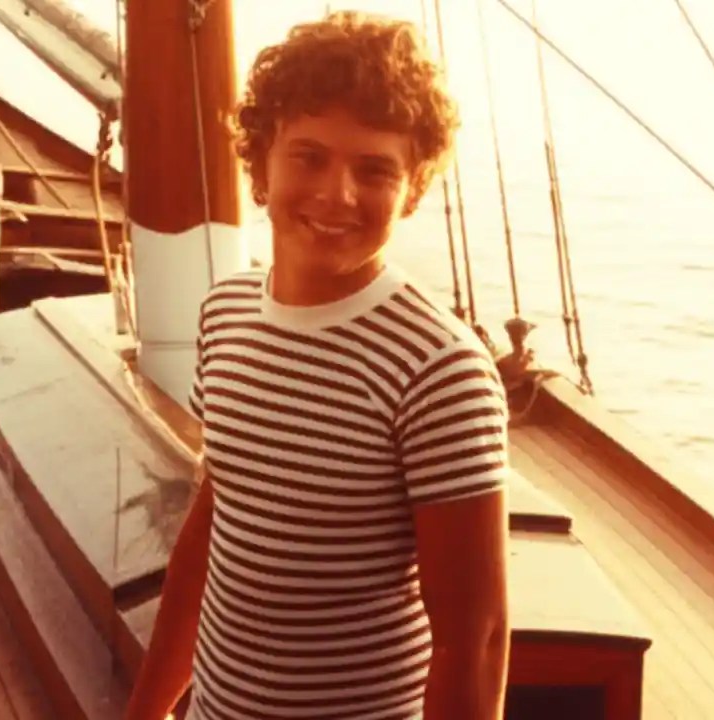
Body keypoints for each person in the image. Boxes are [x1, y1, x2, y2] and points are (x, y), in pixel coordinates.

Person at [125, 11, 511, 720]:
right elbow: (217, 524)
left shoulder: (440, 371)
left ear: (414, 189)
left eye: (375, 170)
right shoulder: (227, 314)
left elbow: (475, 641)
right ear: (262, 163)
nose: (338, 195)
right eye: (309, 156)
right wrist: (148, 709)